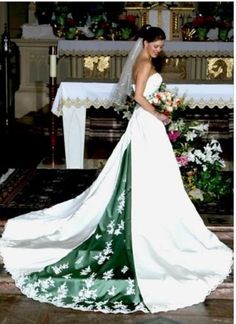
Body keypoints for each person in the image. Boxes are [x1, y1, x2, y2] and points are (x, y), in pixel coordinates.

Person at [0, 25, 233, 314]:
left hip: (145, 123)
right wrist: (159, 112)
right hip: (147, 122)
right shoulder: (145, 62)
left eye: (161, 46)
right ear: (145, 43)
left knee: (153, 171)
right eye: (156, 45)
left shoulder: (145, 60)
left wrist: (160, 105)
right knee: (150, 168)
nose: (159, 50)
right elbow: (137, 96)